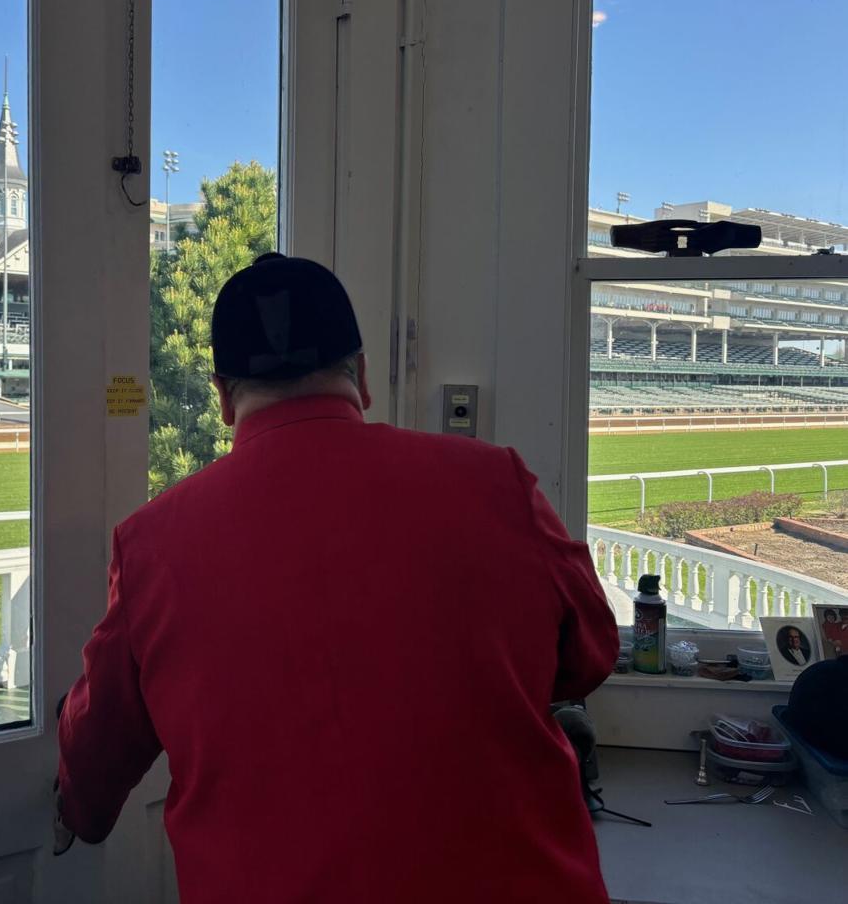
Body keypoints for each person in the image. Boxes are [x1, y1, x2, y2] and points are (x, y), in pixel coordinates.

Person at [55, 253, 620, 903]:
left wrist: (74, 810)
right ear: (361, 375)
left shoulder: (150, 544)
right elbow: (589, 657)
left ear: (221, 398)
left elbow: (92, 774)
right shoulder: (498, 482)